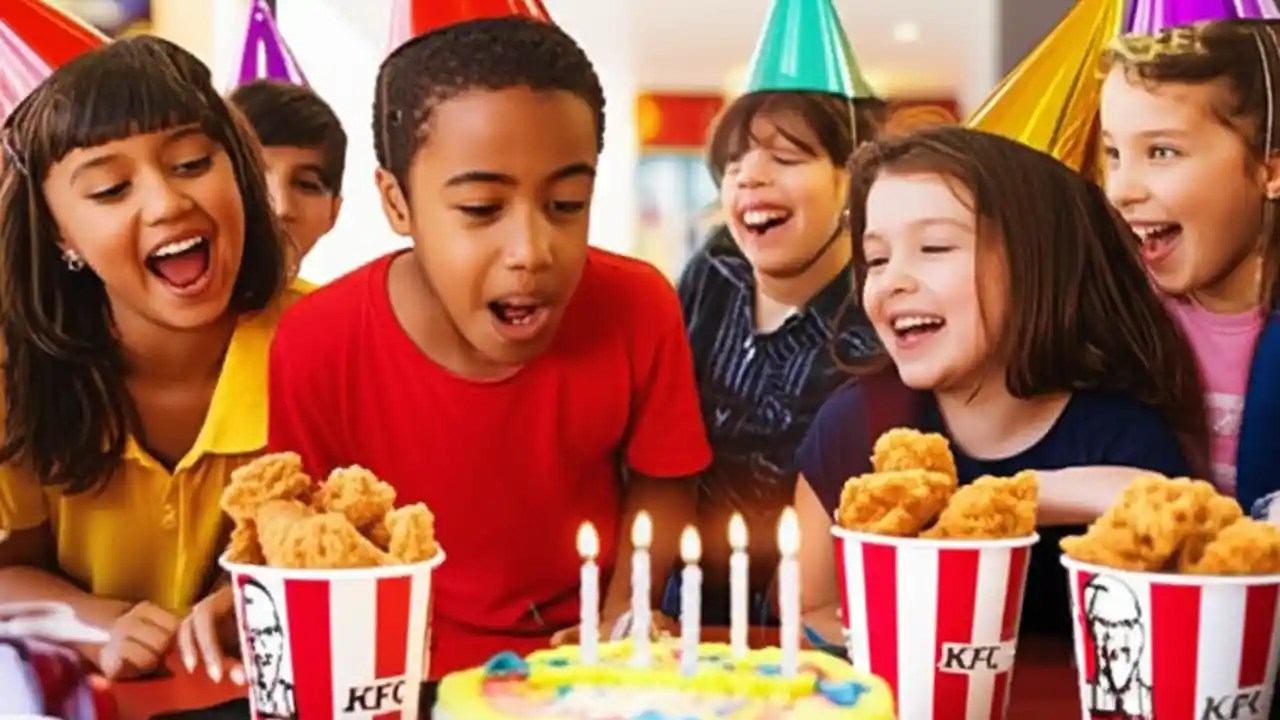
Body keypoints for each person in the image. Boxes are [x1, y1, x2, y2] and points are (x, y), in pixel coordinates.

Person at [265, 16, 711, 681]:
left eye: (567, 202)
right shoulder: (316, 342)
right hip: (394, 671)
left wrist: (622, 620)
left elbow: (665, 476)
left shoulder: (639, 306)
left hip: (578, 669)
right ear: (397, 202)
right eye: (480, 208)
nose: (533, 251)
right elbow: (302, 534)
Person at [793, 126, 1209, 642]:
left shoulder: (1120, 436)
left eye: (935, 246)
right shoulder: (856, 425)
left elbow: (1186, 596)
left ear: (1035, 262)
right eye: (876, 259)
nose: (891, 280)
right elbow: (814, 606)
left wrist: (1028, 497)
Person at [0, 36, 296, 681]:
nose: (166, 204)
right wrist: (93, 618)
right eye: (109, 189)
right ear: (58, 233)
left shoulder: (328, 340)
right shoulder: (13, 373)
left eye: (191, 163)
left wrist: (266, 599)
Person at [674, 91, 883, 625]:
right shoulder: (711, 273)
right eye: (733, 164)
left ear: (850, 180)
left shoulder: (879, 317)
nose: (749, 178)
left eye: (786, 159)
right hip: (679, 606)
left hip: (811, 622)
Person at [1101, 20, 1280, 515]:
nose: (1121, 189)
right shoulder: (1115, 325)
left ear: (1270, 169)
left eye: (1162, 152)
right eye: (1114, 153)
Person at [228, 79, 346, 281]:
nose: (280, 208)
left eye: (306, 184)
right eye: (256, 178)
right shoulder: (161, 307)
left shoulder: (332, 311)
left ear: (333, 211)